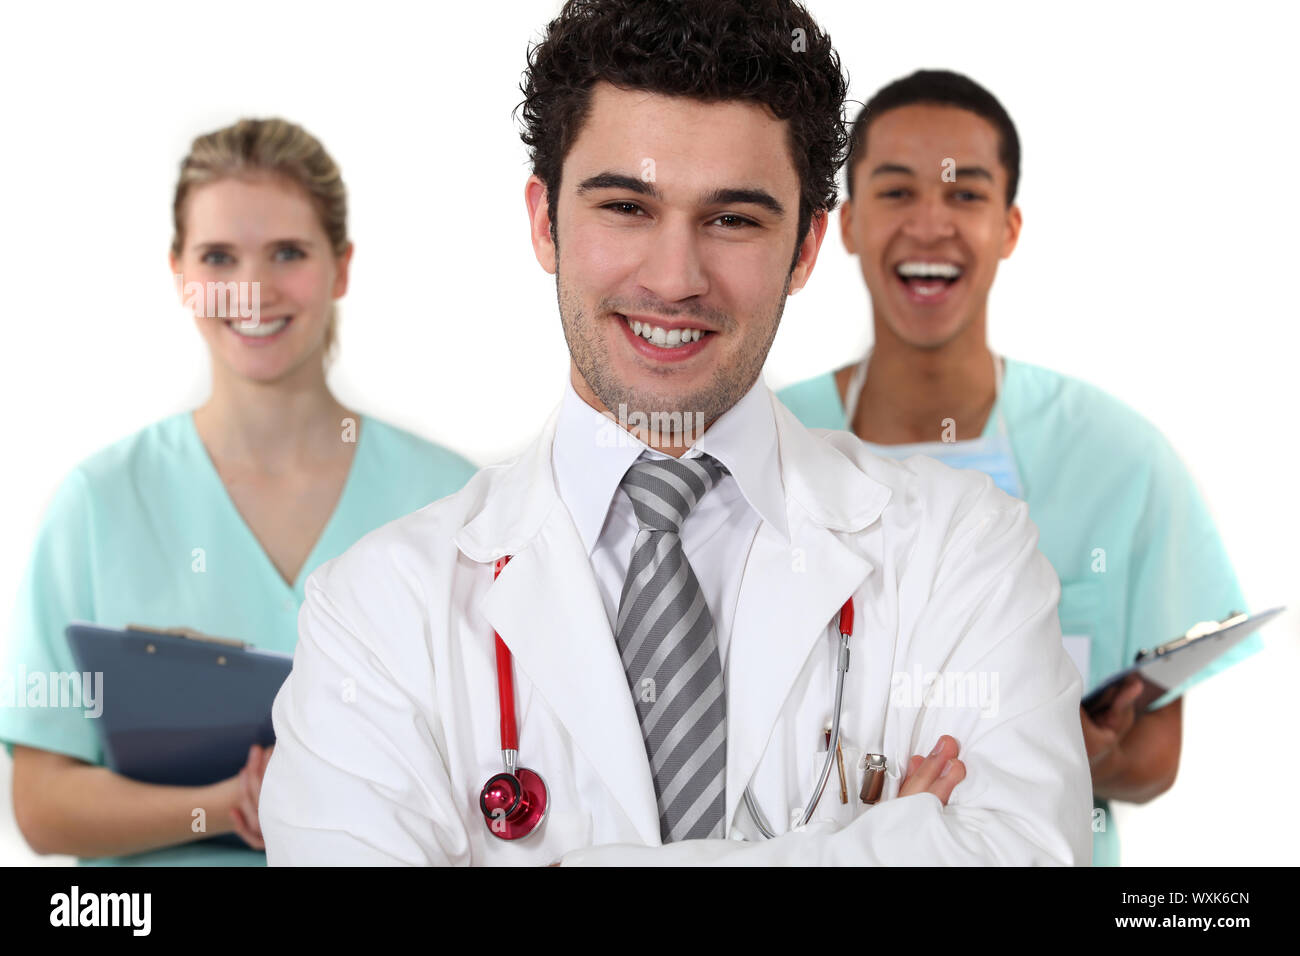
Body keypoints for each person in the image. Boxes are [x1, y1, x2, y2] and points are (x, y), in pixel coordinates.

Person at [259, 0, 1092, 866]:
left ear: (806, 245)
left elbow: (1024, 854)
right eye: (626, 206)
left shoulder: (960, 552)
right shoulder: (375, 614)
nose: (674, 278)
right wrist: (882, 846)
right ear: (546, 222)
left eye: (733, 220)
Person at [776, 70, 1262, 866]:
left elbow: (1157, 760)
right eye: (897, 194)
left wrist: (1066, 745)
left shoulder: (1119, 460)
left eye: (965, 196)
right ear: (848, 225)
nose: (930, 225)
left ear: (1009, 226)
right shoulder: (769, 439)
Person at [1, 117, 477, 866]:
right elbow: (42, 802)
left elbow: (515, 762)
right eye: (219, 257)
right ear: (179, 274)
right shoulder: (98, 504)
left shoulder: (453, 500)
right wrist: (221, 806)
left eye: (287, 253)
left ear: (340, 267)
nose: (251, 291)